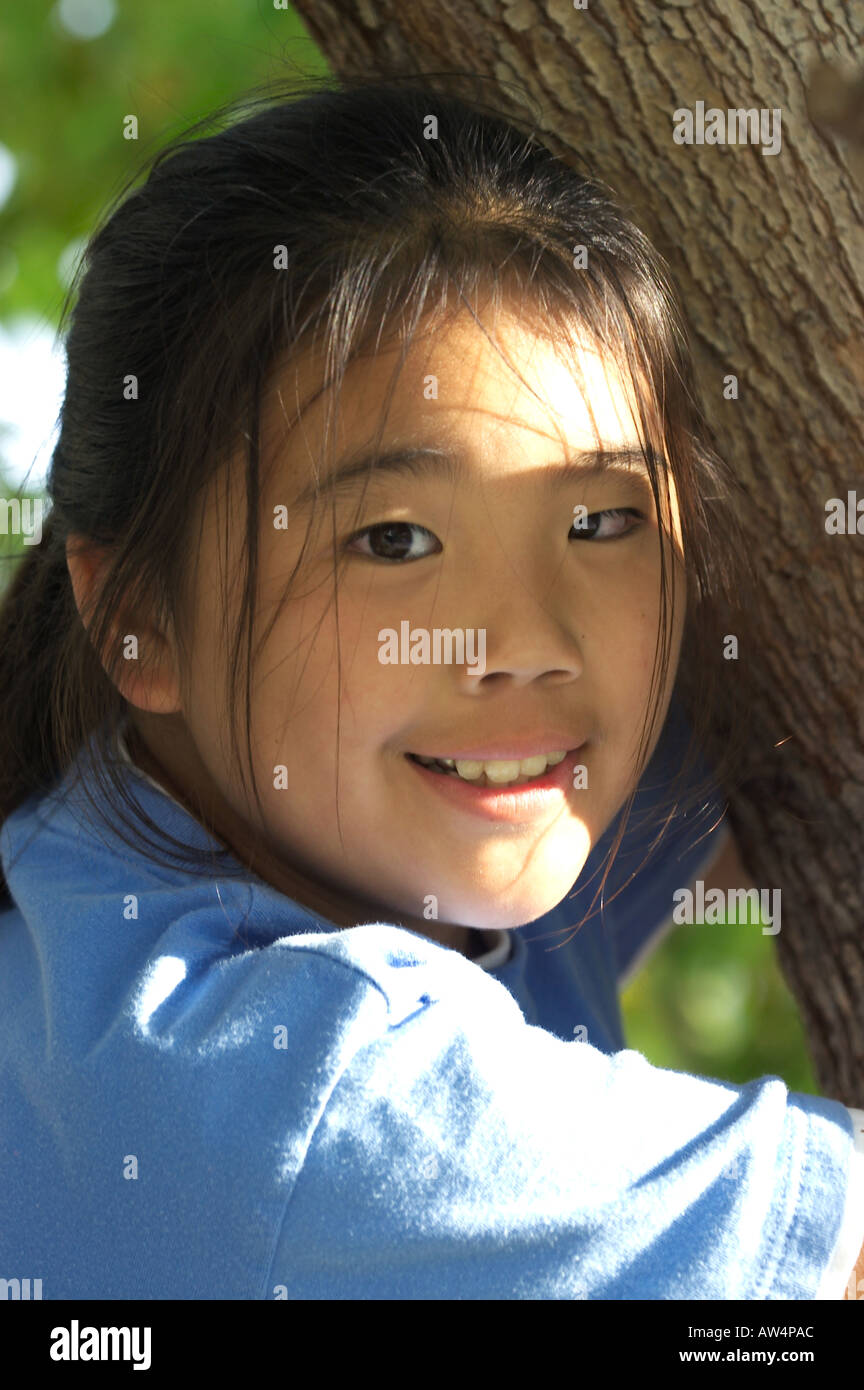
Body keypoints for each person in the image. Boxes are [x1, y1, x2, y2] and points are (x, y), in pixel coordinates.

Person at [0, 74, 861, 1300]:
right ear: (137, 615)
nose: (526, 641)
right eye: (396, 541)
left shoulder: (196, 827)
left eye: (603, 518)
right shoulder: (305, 1085)